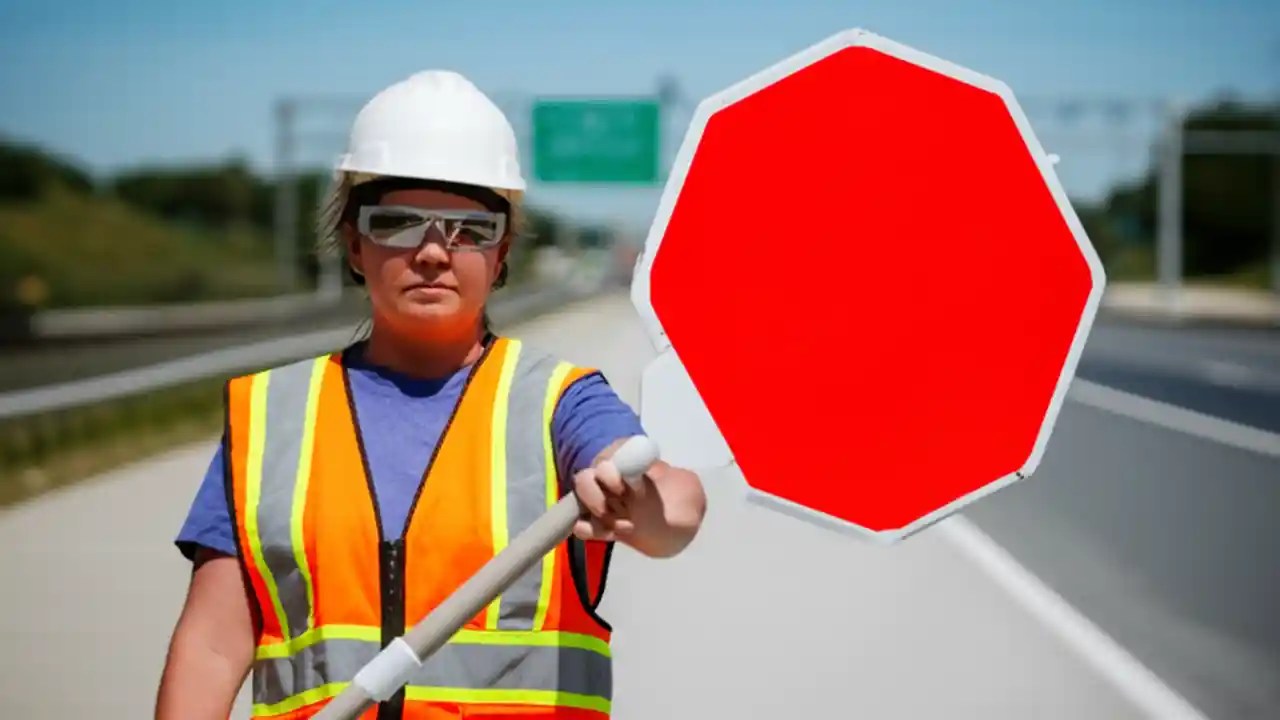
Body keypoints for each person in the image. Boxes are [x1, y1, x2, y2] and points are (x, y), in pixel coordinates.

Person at [155, 69, 707, 720]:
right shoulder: (272, 418)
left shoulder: (560, 401)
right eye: (398, 223)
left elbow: (674, 503)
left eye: (469, 229)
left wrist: (645, 509)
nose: (434, 253)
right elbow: (213, 647)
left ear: (501, 254)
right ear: (354, 244)